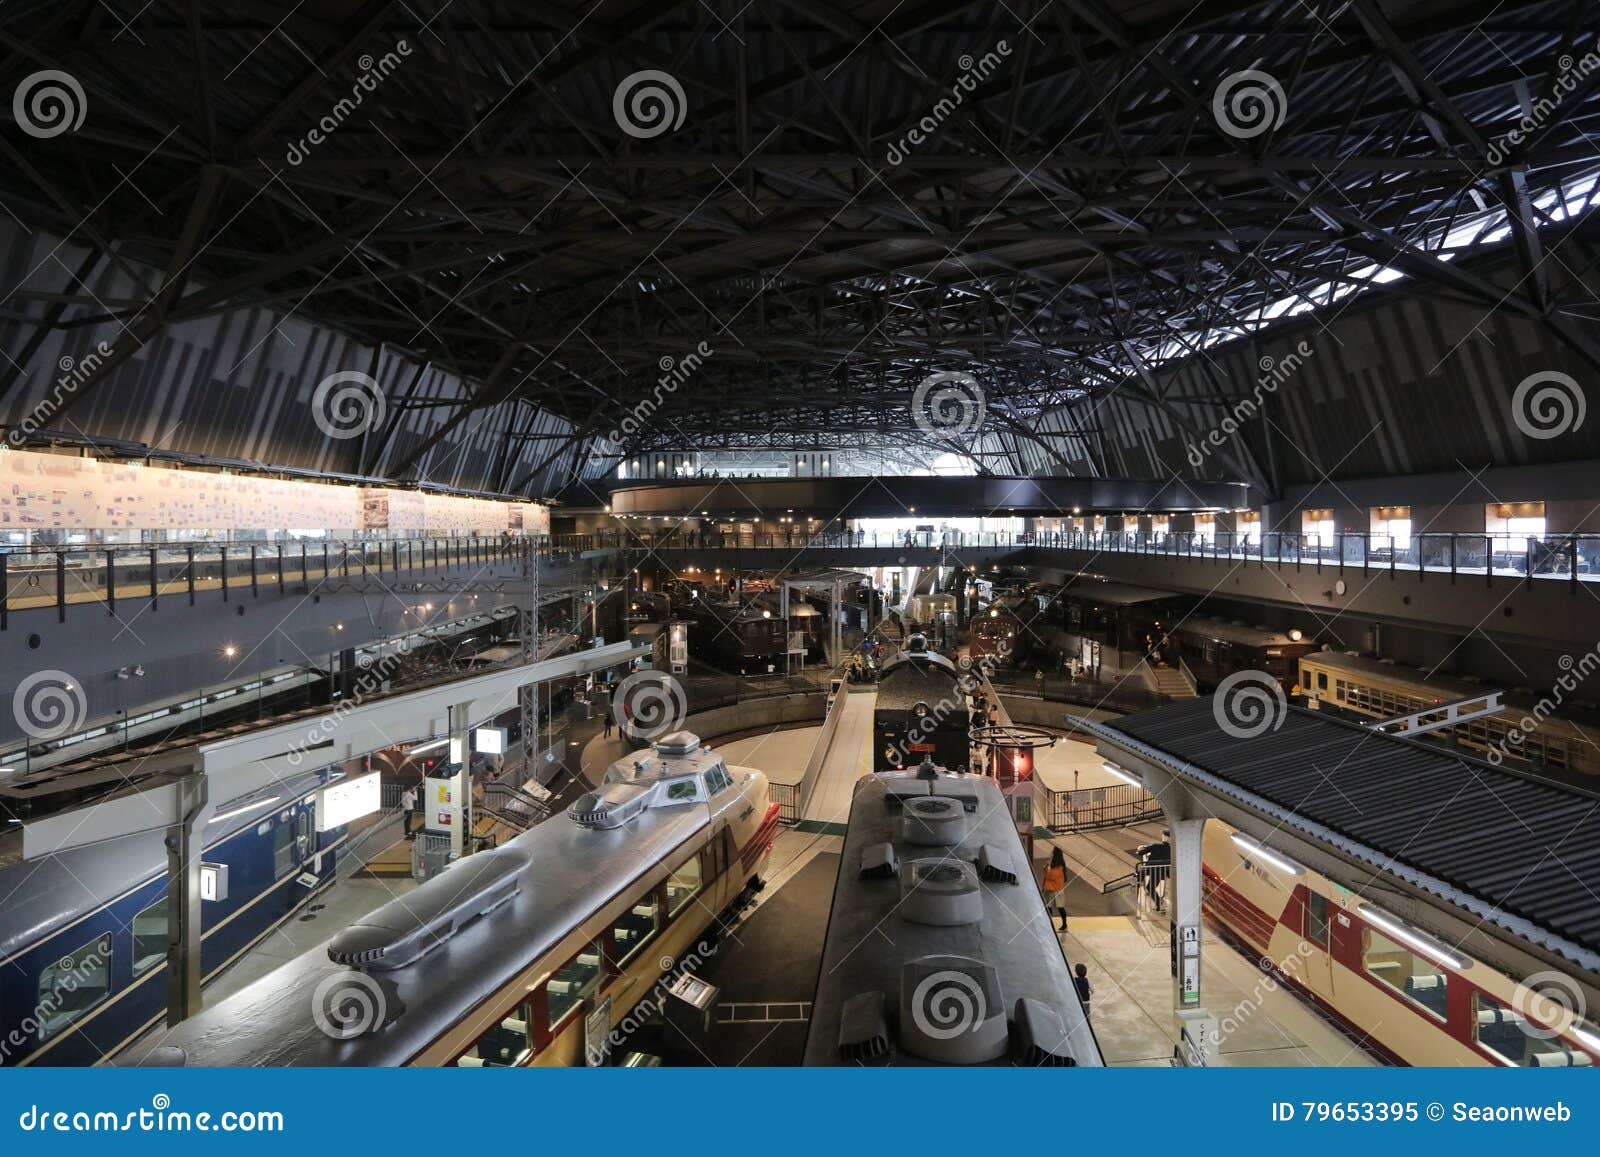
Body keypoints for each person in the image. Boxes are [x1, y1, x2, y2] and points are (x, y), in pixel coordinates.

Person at [1042, 846, 1069, 931]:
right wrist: (1047, 867)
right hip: (1052, 888)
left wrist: (1048, 867)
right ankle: (1052, 924)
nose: (1051, 853)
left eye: (1052, 852)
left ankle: (1063, 924)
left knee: (1057, 907)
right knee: (1051, 907)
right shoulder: (1055, 864)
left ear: (1055, 854)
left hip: (1055, 889)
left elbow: (1049, 876)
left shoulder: (1058, 867)